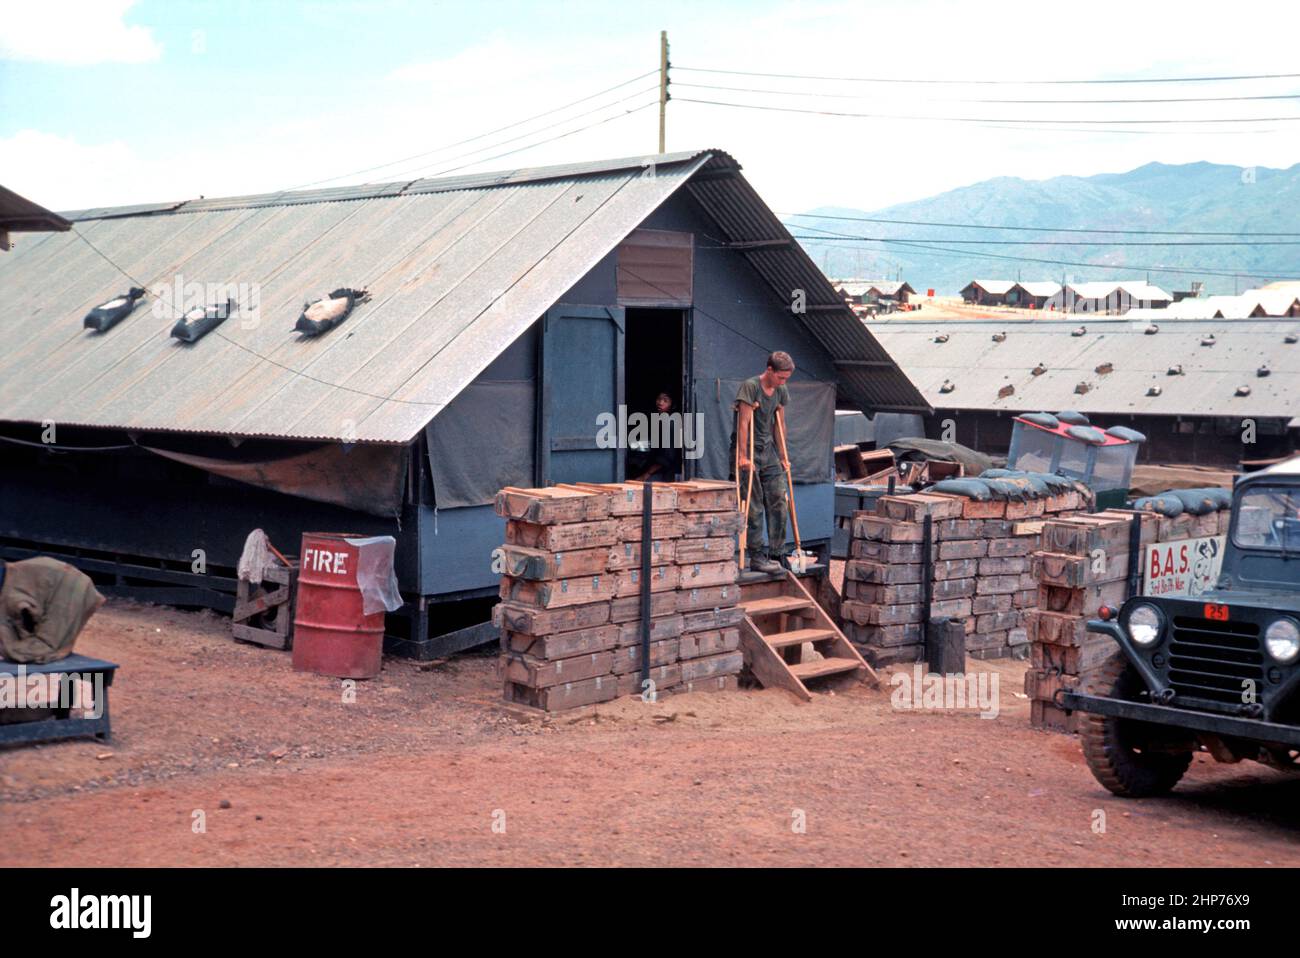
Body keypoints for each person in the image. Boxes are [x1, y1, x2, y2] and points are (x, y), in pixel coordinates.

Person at [733, 352, 794, 573]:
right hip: (749, 450)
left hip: (769, 452)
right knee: (754, 504)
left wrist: (783, 456)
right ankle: (756, 555)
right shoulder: (750, 387)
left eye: (786, 379)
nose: (783, 382)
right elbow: (743, 424)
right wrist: (742, 456)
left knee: (779, 498)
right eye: (781, 377)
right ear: (770, 370)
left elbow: (779, 424)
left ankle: (777, 552)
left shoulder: (780, 390)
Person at [631, 392, 681, 482]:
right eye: (659, 399)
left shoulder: (669, 424)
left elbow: (667, 457)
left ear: (672, 404)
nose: (660, 403)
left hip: (665, 474)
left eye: (665, 400)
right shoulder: (659, 421)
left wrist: (646, 475)